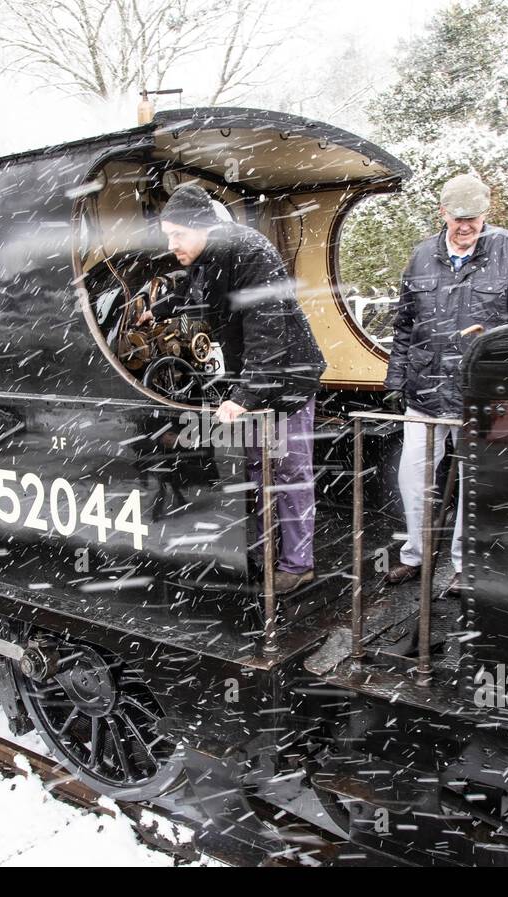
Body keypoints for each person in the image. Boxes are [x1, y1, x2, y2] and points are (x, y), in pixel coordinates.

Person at [151, 183, 326, 594]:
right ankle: (265, 552)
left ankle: (299, 564)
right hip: (254, 378)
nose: (172, 244)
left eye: (177, 234)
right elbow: (192, 293)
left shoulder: (249, 250)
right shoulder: (205, 256)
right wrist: (154, 312)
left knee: (288, 471)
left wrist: (243, 397)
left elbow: (268, 332)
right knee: (257, 468)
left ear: (201, 227)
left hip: (288, 380)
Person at [382, 174, 508, 590]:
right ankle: (416, 555)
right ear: (443, 213)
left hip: (487, 392)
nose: (465, 227)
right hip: (426, 390)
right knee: (412, 478)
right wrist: (395, 379)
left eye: (473, 219)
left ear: (485, 215)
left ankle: (466, 566)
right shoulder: (420, 256)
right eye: (458, 219)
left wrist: (493, 342)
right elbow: (404, 325)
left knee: (481, 483)